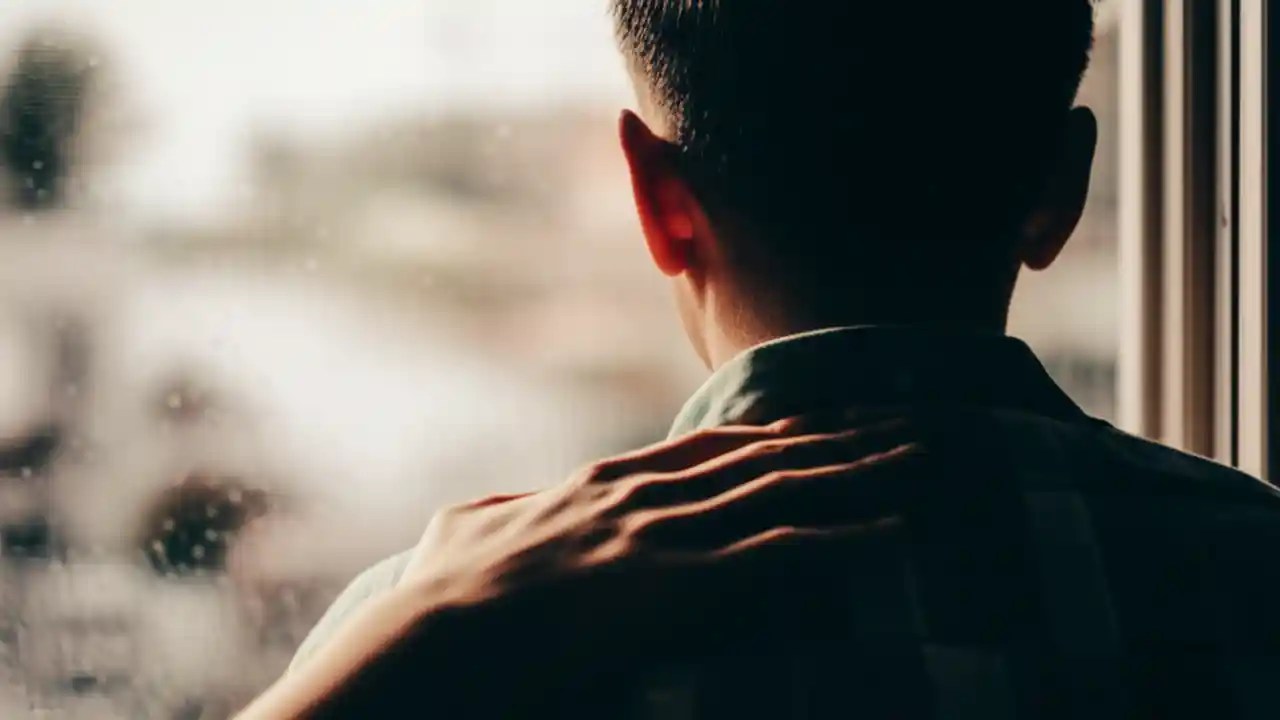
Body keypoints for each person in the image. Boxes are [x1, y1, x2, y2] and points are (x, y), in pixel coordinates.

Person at [240, 1, 1280, 717]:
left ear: (656, 201)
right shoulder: (1249, 569)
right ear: (1060, 190)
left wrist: (395, 653)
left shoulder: (435, 635)